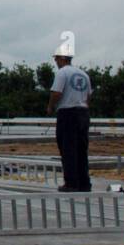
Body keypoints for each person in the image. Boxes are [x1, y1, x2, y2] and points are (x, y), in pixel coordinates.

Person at [47, 46, 92, 192]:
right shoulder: (83, 74)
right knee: (81, 149)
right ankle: (84, 183)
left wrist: (50, 107)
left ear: (61, 58)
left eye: (56, 59)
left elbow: (56, 93)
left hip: (68, 113)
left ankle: (71, 183)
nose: (56, 62)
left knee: (68, 149)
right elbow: (88, 96)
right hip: (83, 113)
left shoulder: (62, 73)